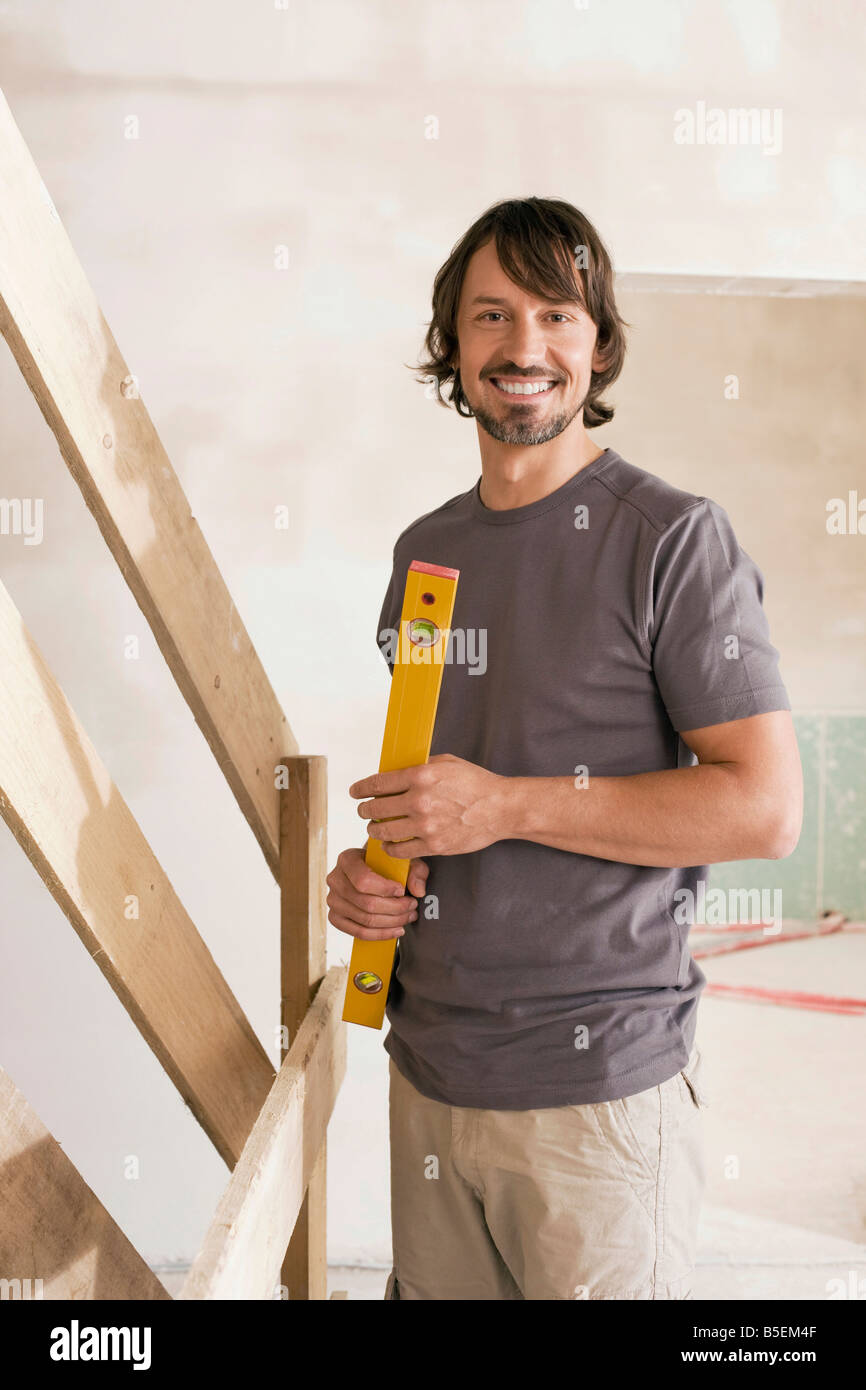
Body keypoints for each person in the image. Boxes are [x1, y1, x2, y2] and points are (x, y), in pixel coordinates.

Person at [326, 197, 803, 1300]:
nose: (523, 347)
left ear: (596, 343)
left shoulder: (672, 540)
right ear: (452, 343)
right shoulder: (426, 551)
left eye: (555, 314)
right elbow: (439, 785)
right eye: (490, 316)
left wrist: (502, 806)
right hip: (430, 1075)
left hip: (593, 1098)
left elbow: (763, 809)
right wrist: (374, 878)